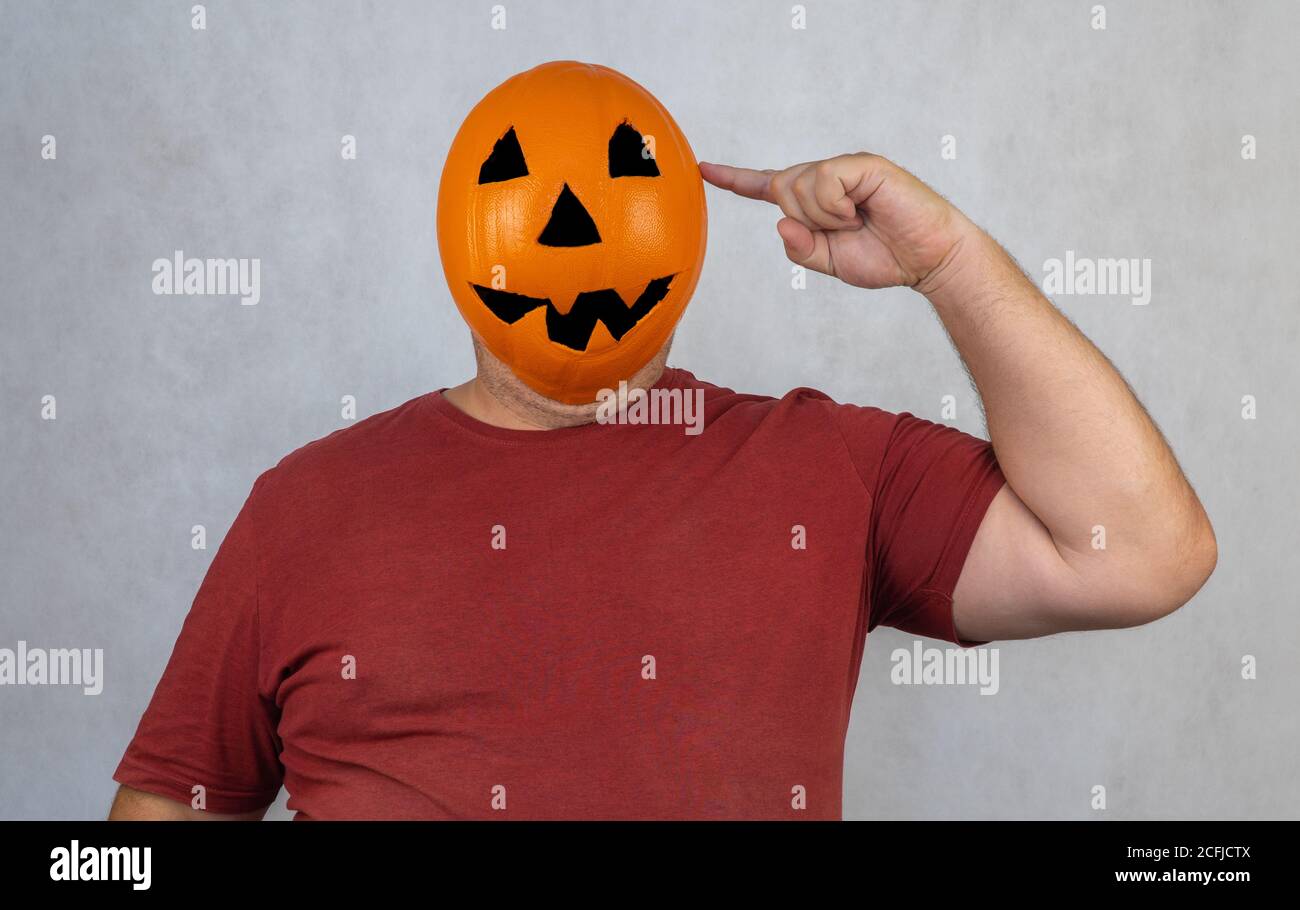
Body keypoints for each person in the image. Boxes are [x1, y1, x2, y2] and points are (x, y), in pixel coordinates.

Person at [109, 152, 1215, 820]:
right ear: (461, 233)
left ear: (682, 236)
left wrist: (951, 263)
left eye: (621, 190)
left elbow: (1144, 554)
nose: (571, 235)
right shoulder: (305, 506)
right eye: (522, 190)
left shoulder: (825, 469)